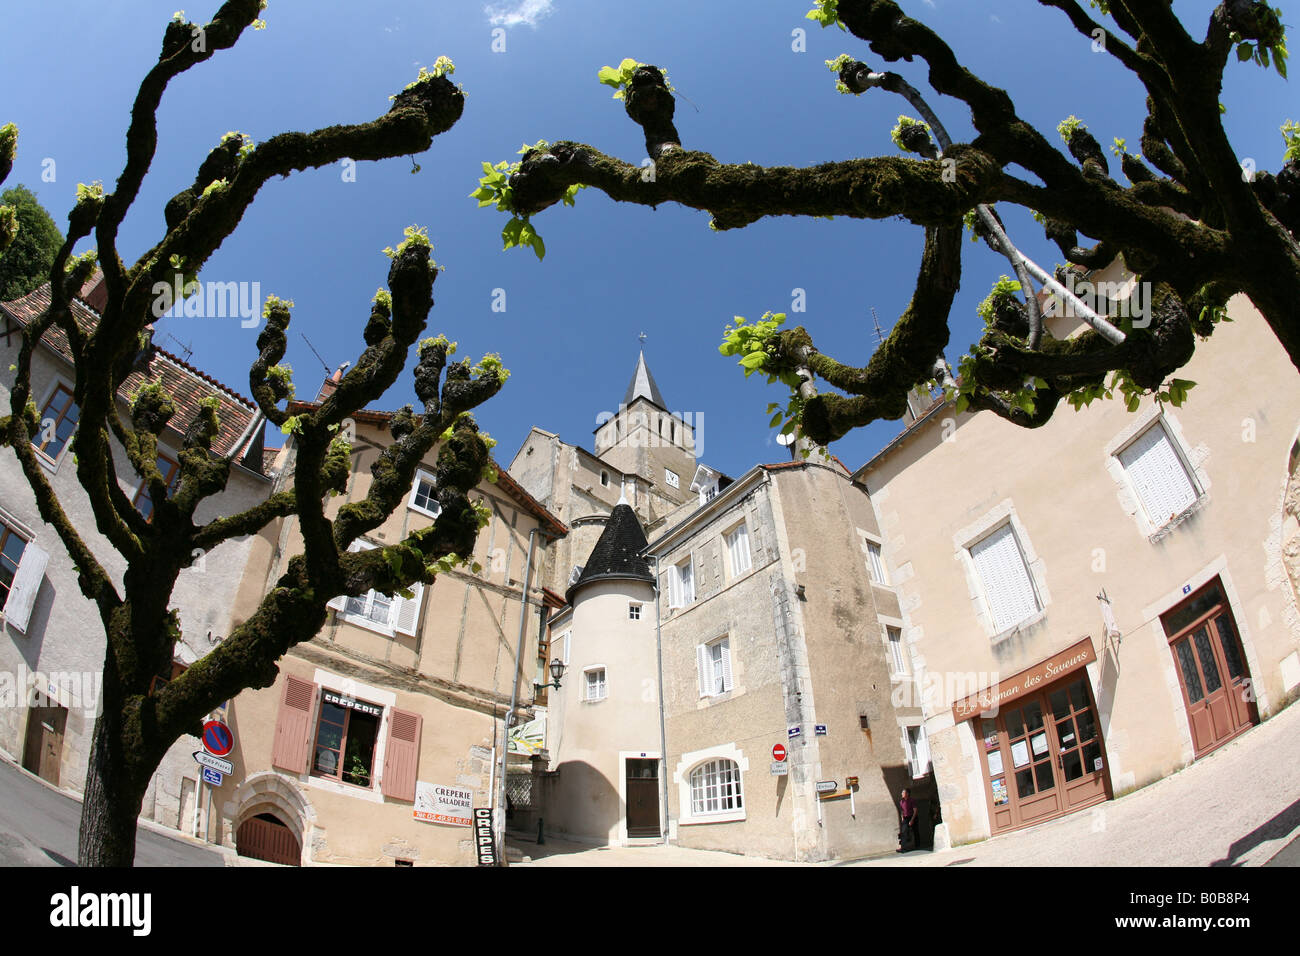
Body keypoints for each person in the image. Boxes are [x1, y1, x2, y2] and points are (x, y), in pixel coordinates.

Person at [898, 787, 920, 852]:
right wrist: (902, 818)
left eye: (903, 792)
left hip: (913, 816)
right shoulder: (901, 801)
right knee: (903, 832)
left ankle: (917, 845)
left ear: (907, 794)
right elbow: (902, 811)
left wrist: (912, 820)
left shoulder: (912, 800)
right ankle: (903, 847)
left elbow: (915, 811)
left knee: (915, 831)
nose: (901, 794)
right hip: (905, 818)